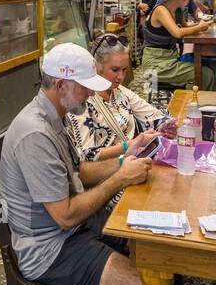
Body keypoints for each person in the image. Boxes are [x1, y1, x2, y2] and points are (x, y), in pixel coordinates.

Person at [0, 44, 154, 285]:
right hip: (49, 250)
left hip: (70, 232)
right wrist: (118, 179)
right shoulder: (36, 134)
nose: (90, 94)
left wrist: (125, 163)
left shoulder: (55, 116)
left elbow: (80, 172)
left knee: (152, 248)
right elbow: (65, 216)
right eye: (84, 86)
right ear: (61, 85)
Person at [64, 34, 170, 214]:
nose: (121, 76)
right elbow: (87, 157)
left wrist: (166, 126)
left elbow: (154, 115)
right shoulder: (82, 103)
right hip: (108, 184)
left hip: (132, 170)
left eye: (125, 70)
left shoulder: (120, 93)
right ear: (96, 67)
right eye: (115, 70)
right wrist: (127, 146)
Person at [141, 0, 216, 90]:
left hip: (169, 60)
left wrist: (203, 24)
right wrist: (199, 27)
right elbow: (177, 32)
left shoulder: (177, 10)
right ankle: (189, 104)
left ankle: (209, 105)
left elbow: (185, 26)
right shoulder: (161, 10)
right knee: (205, 73)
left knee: (214, 69)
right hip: (156, 64)